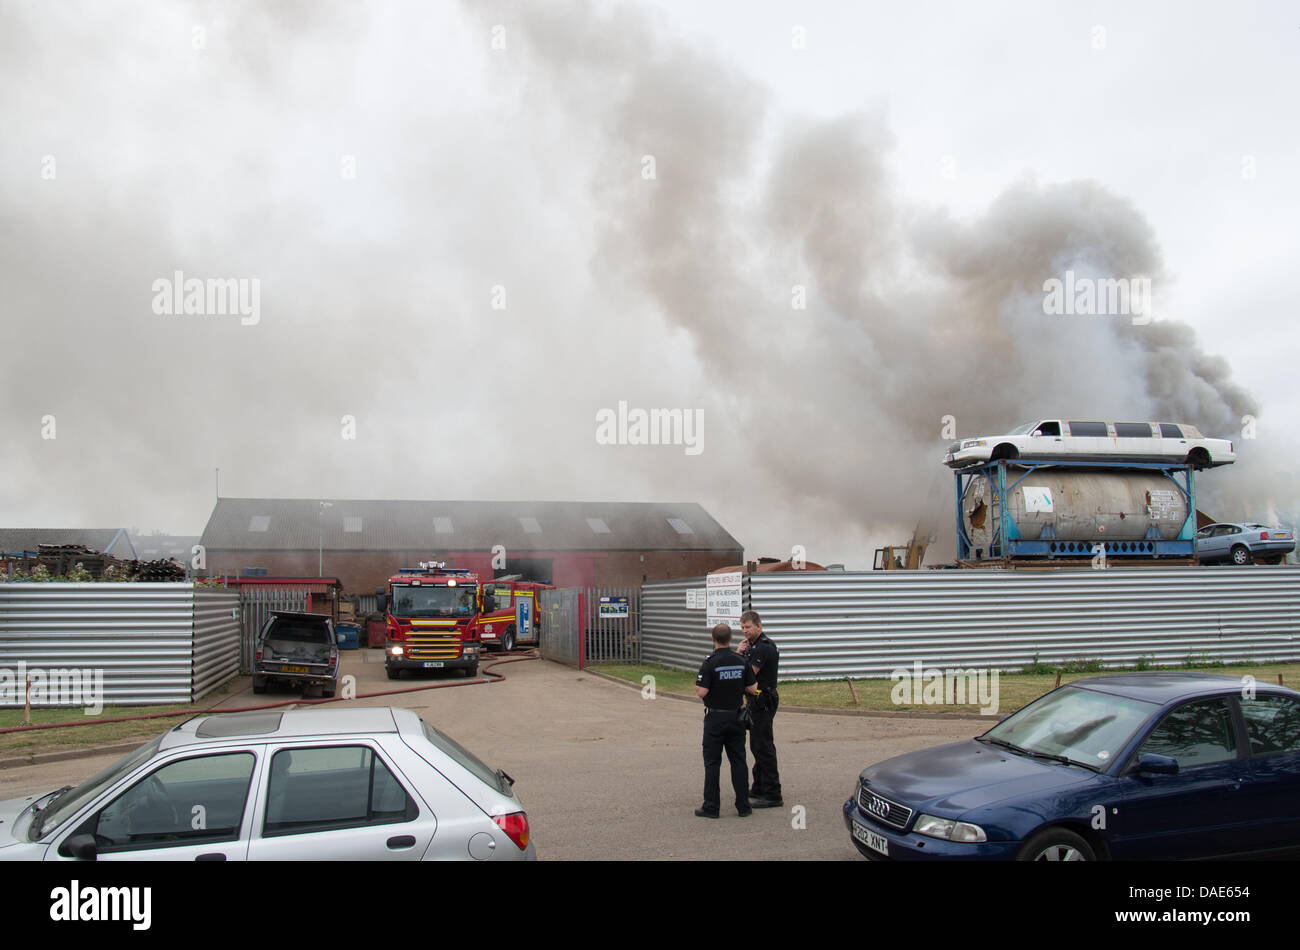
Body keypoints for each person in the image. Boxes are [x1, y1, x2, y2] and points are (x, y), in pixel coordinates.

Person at [694, 623, 758, 818]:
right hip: (736, 716)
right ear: (730, 639)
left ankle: (712, 807)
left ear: (713, 639)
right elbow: (753, 688)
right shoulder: (740, 661)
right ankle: (743, 806)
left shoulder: (710, 663)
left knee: (712, 763)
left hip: (715, 717)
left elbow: (702, 691)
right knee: (738, 760)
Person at [739, 611, 782, 807]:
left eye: (748, 627)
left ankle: (773, 793)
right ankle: (759, 786)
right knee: (756, 744)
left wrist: (738, 656)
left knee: (763, 745)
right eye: (742, 627)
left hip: (763, 699)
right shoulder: (753, 646)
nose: (745, 631)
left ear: (758, 626)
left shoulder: (764, 647)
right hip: (755, 699)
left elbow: (748, 674)